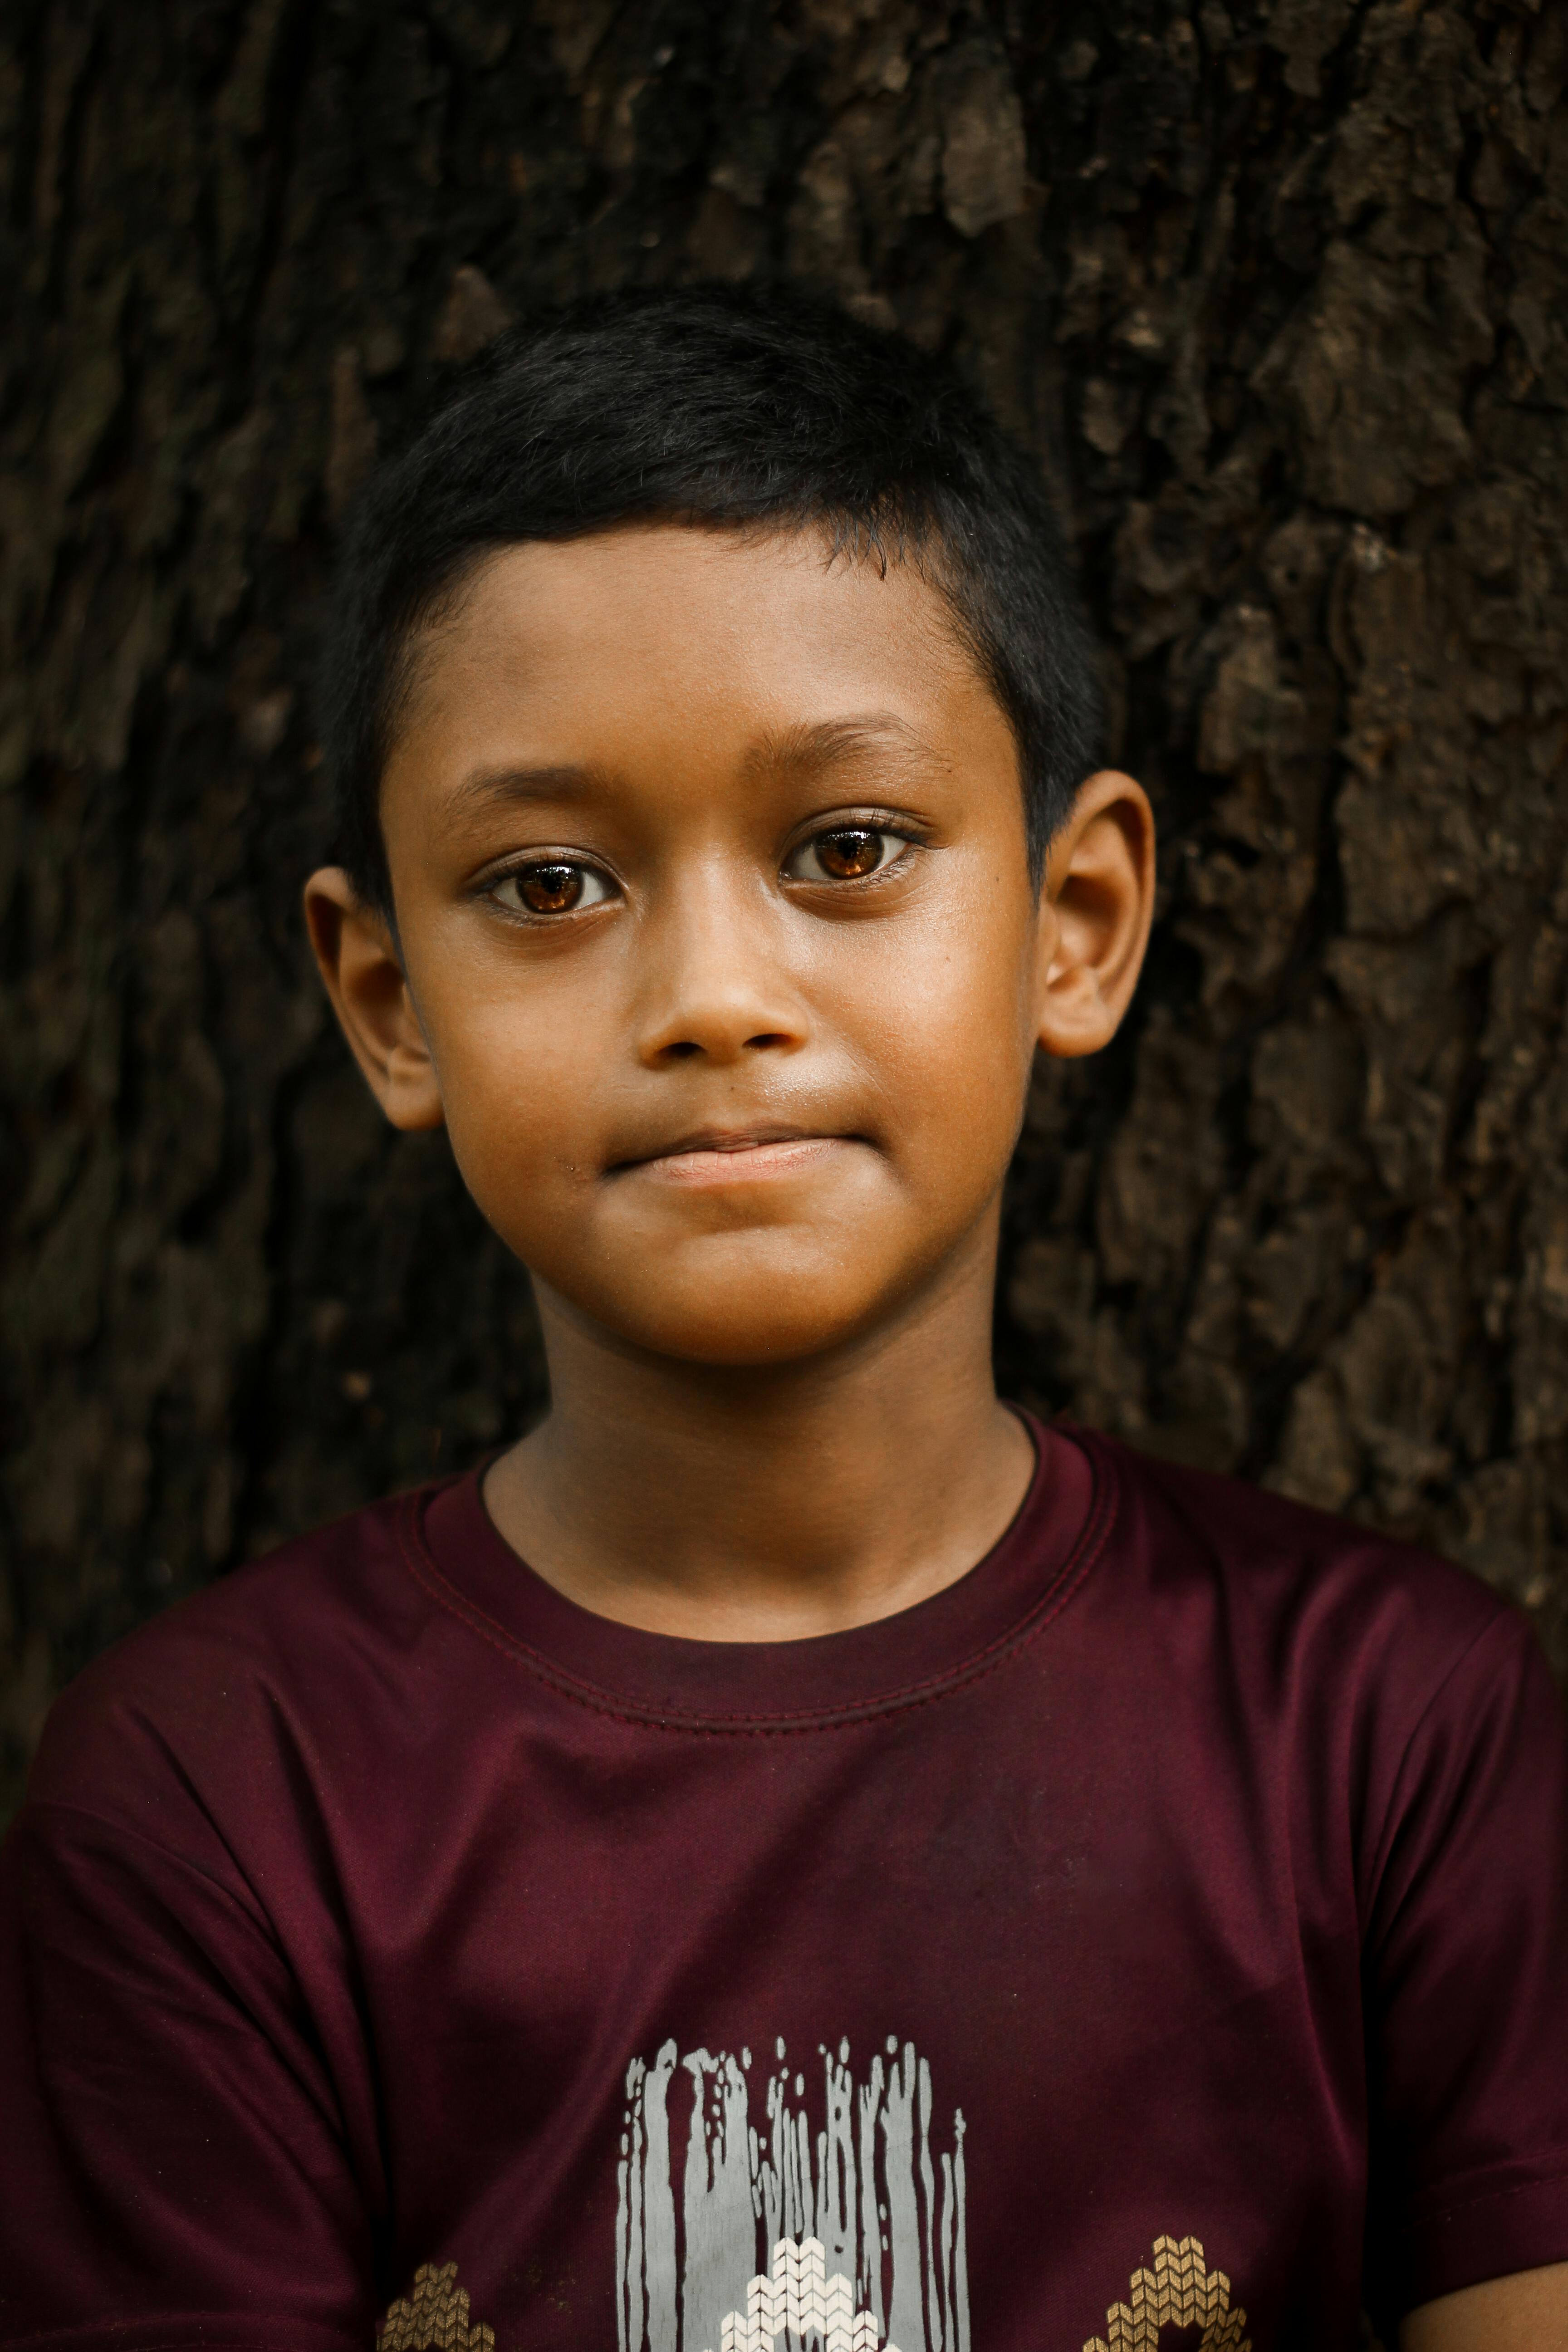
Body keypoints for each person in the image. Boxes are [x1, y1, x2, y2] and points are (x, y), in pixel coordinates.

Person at [1, 285, 1564, 2352]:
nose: (713, 998)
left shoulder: (1396, 1738)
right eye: (552, 883)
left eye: (848, 847)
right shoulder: (219, 1801)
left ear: (1073, 925)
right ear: (389, 1006)